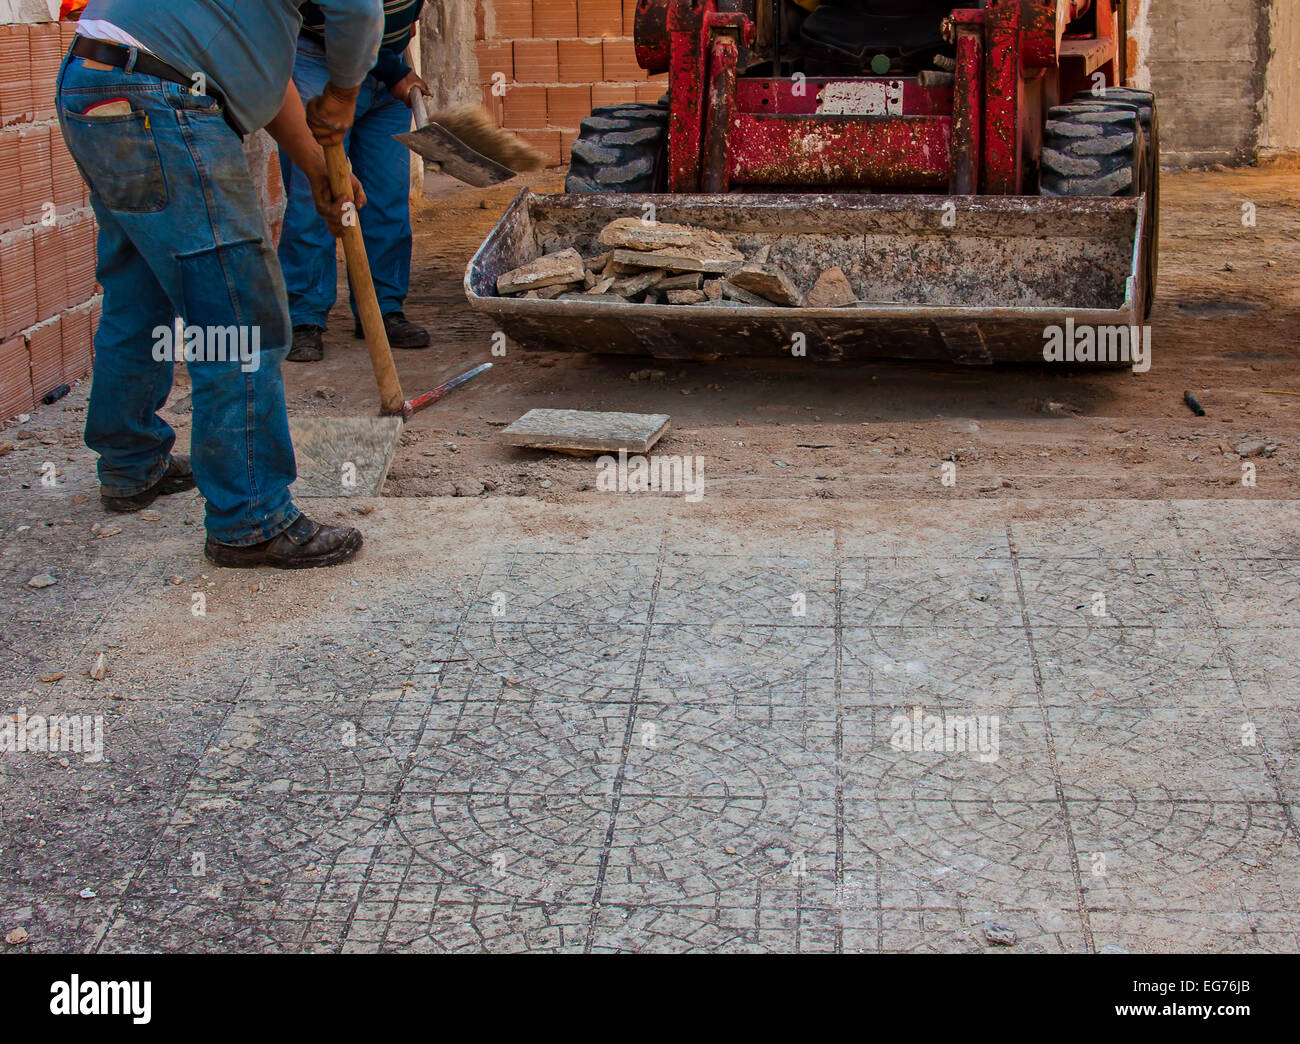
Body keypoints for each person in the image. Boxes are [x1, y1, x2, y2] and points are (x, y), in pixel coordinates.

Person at [56, 0, 383, 569]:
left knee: (140, 292)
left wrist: (315, 168)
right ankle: (251, 518)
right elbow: (361, 8)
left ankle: (131, 463)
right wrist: (345, 94)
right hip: (164, 97)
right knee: (238, 318)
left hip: (97, 84)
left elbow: (268, 76)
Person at [280, 0, 430, 363]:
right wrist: (395, 70)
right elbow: (350, 20)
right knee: (315, 194)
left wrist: (403, 39)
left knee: (388, 196)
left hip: (390, 70)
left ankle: (381, 309)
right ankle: (304, 319)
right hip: (321, 59)